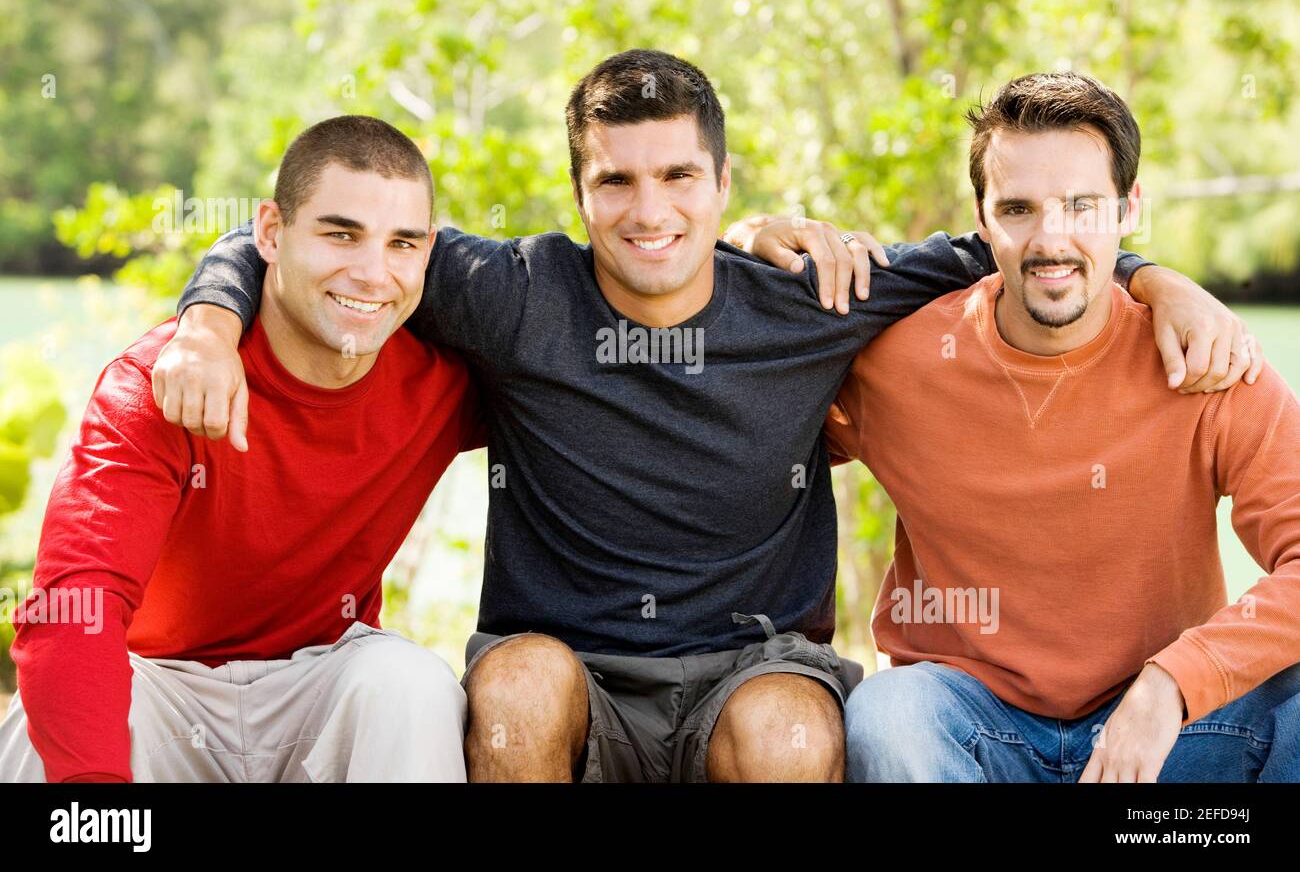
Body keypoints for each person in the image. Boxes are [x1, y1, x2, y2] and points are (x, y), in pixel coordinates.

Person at [151, 51, 1251, 783]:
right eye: (616, 181)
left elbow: (1031, 248)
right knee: (516, 691)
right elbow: (297, 235)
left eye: (678, 174)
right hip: (566, 656)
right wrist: (206, 323)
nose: (649, 210)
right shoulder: (511, 290)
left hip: (754, 662)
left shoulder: (815, 295)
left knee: (788, 735)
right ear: (577, 190)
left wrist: (1161, 280)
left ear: (722, 183)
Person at [821, 72, 1299, 782]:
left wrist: (1174, 682)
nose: (1052, 239)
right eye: (1018, 208)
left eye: (1082, 206)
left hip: (1168, 737)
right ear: (981, 221)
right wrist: (750, 239)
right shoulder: (897, 363)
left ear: (1129, 209)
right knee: (888, 716)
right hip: (972, 731)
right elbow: (753, 435)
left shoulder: (1206, 358)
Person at [0, 115, 480, 783]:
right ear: (271, 233)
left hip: (320, 687)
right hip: (163, 690)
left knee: (411, 684)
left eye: (401, 243)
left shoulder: (444, 381)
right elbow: (75, 605)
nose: (373, 273)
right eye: (341, 233)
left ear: (429, 250)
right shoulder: (162, 380)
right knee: (33, 735)